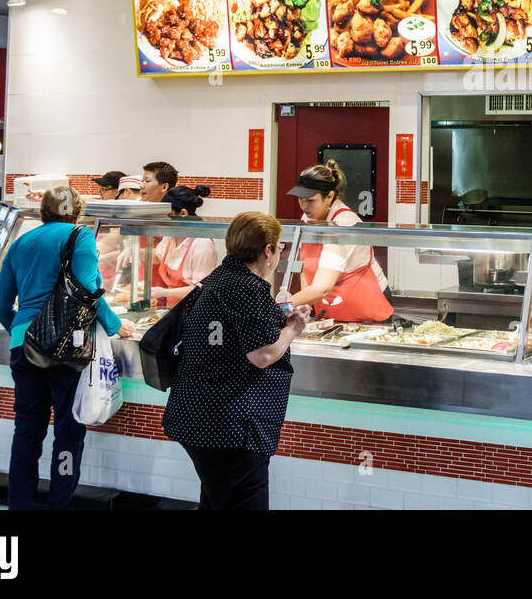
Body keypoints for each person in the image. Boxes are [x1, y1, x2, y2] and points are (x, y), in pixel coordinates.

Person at [0, 186, 135, 509]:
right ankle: (57, 504)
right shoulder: (79, 235)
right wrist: (115, 325)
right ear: (77, 212)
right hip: (67, 347)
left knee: (27, 431)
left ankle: (20, 505)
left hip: (23, 348)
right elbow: (89, 289)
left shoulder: (20, 242)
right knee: (68, 434)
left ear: (42, 210)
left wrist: (23, 332)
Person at [163, 211, 309, 510]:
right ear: (267, 250)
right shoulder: (247, 288)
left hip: (201, 417)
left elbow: (234, 334)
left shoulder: (220, 278)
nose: (279, 254)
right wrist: (292, 328)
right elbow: (263, 354)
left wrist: (275, 321)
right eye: (279, 248)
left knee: (217, 500)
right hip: (230, 425)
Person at [287, 160, 392, 323]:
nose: (304, 206)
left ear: (329, 196)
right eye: (300, 199)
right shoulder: (308, 218)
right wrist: (306, 308)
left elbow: (322, 287)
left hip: (366, 307)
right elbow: (305, 269)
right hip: (333, 307)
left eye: (310, 200)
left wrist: (281, 306)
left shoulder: (344, 223)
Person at [150, 184, 216, 305]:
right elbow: (157, 256)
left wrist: (165, 293)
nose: (163, 221)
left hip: (191, 311)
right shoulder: (171, 236)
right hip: (171, 310)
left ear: (183, 213)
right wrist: (132, 252)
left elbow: (201, 290)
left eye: (168, 215)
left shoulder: (202, 246)